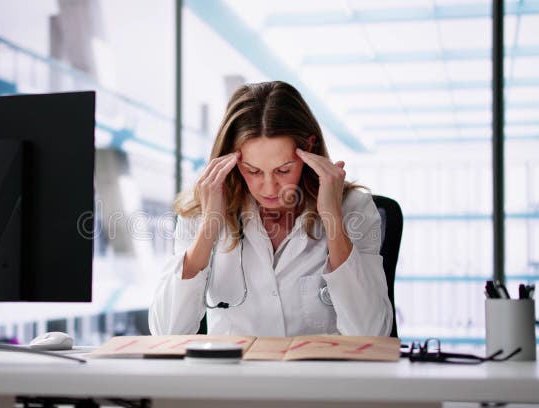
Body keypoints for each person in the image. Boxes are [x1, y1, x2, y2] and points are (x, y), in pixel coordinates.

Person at [149, 81, 392, 337]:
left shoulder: (354, 209)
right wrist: (210, 226)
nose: (268, 187)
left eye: (283, 170)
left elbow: (372, 333)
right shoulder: (204, 211)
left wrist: (332, 218)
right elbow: (166, 332)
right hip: (234, 376)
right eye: (253, 171)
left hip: (317, 375)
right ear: (231, 157)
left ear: (309, 148)